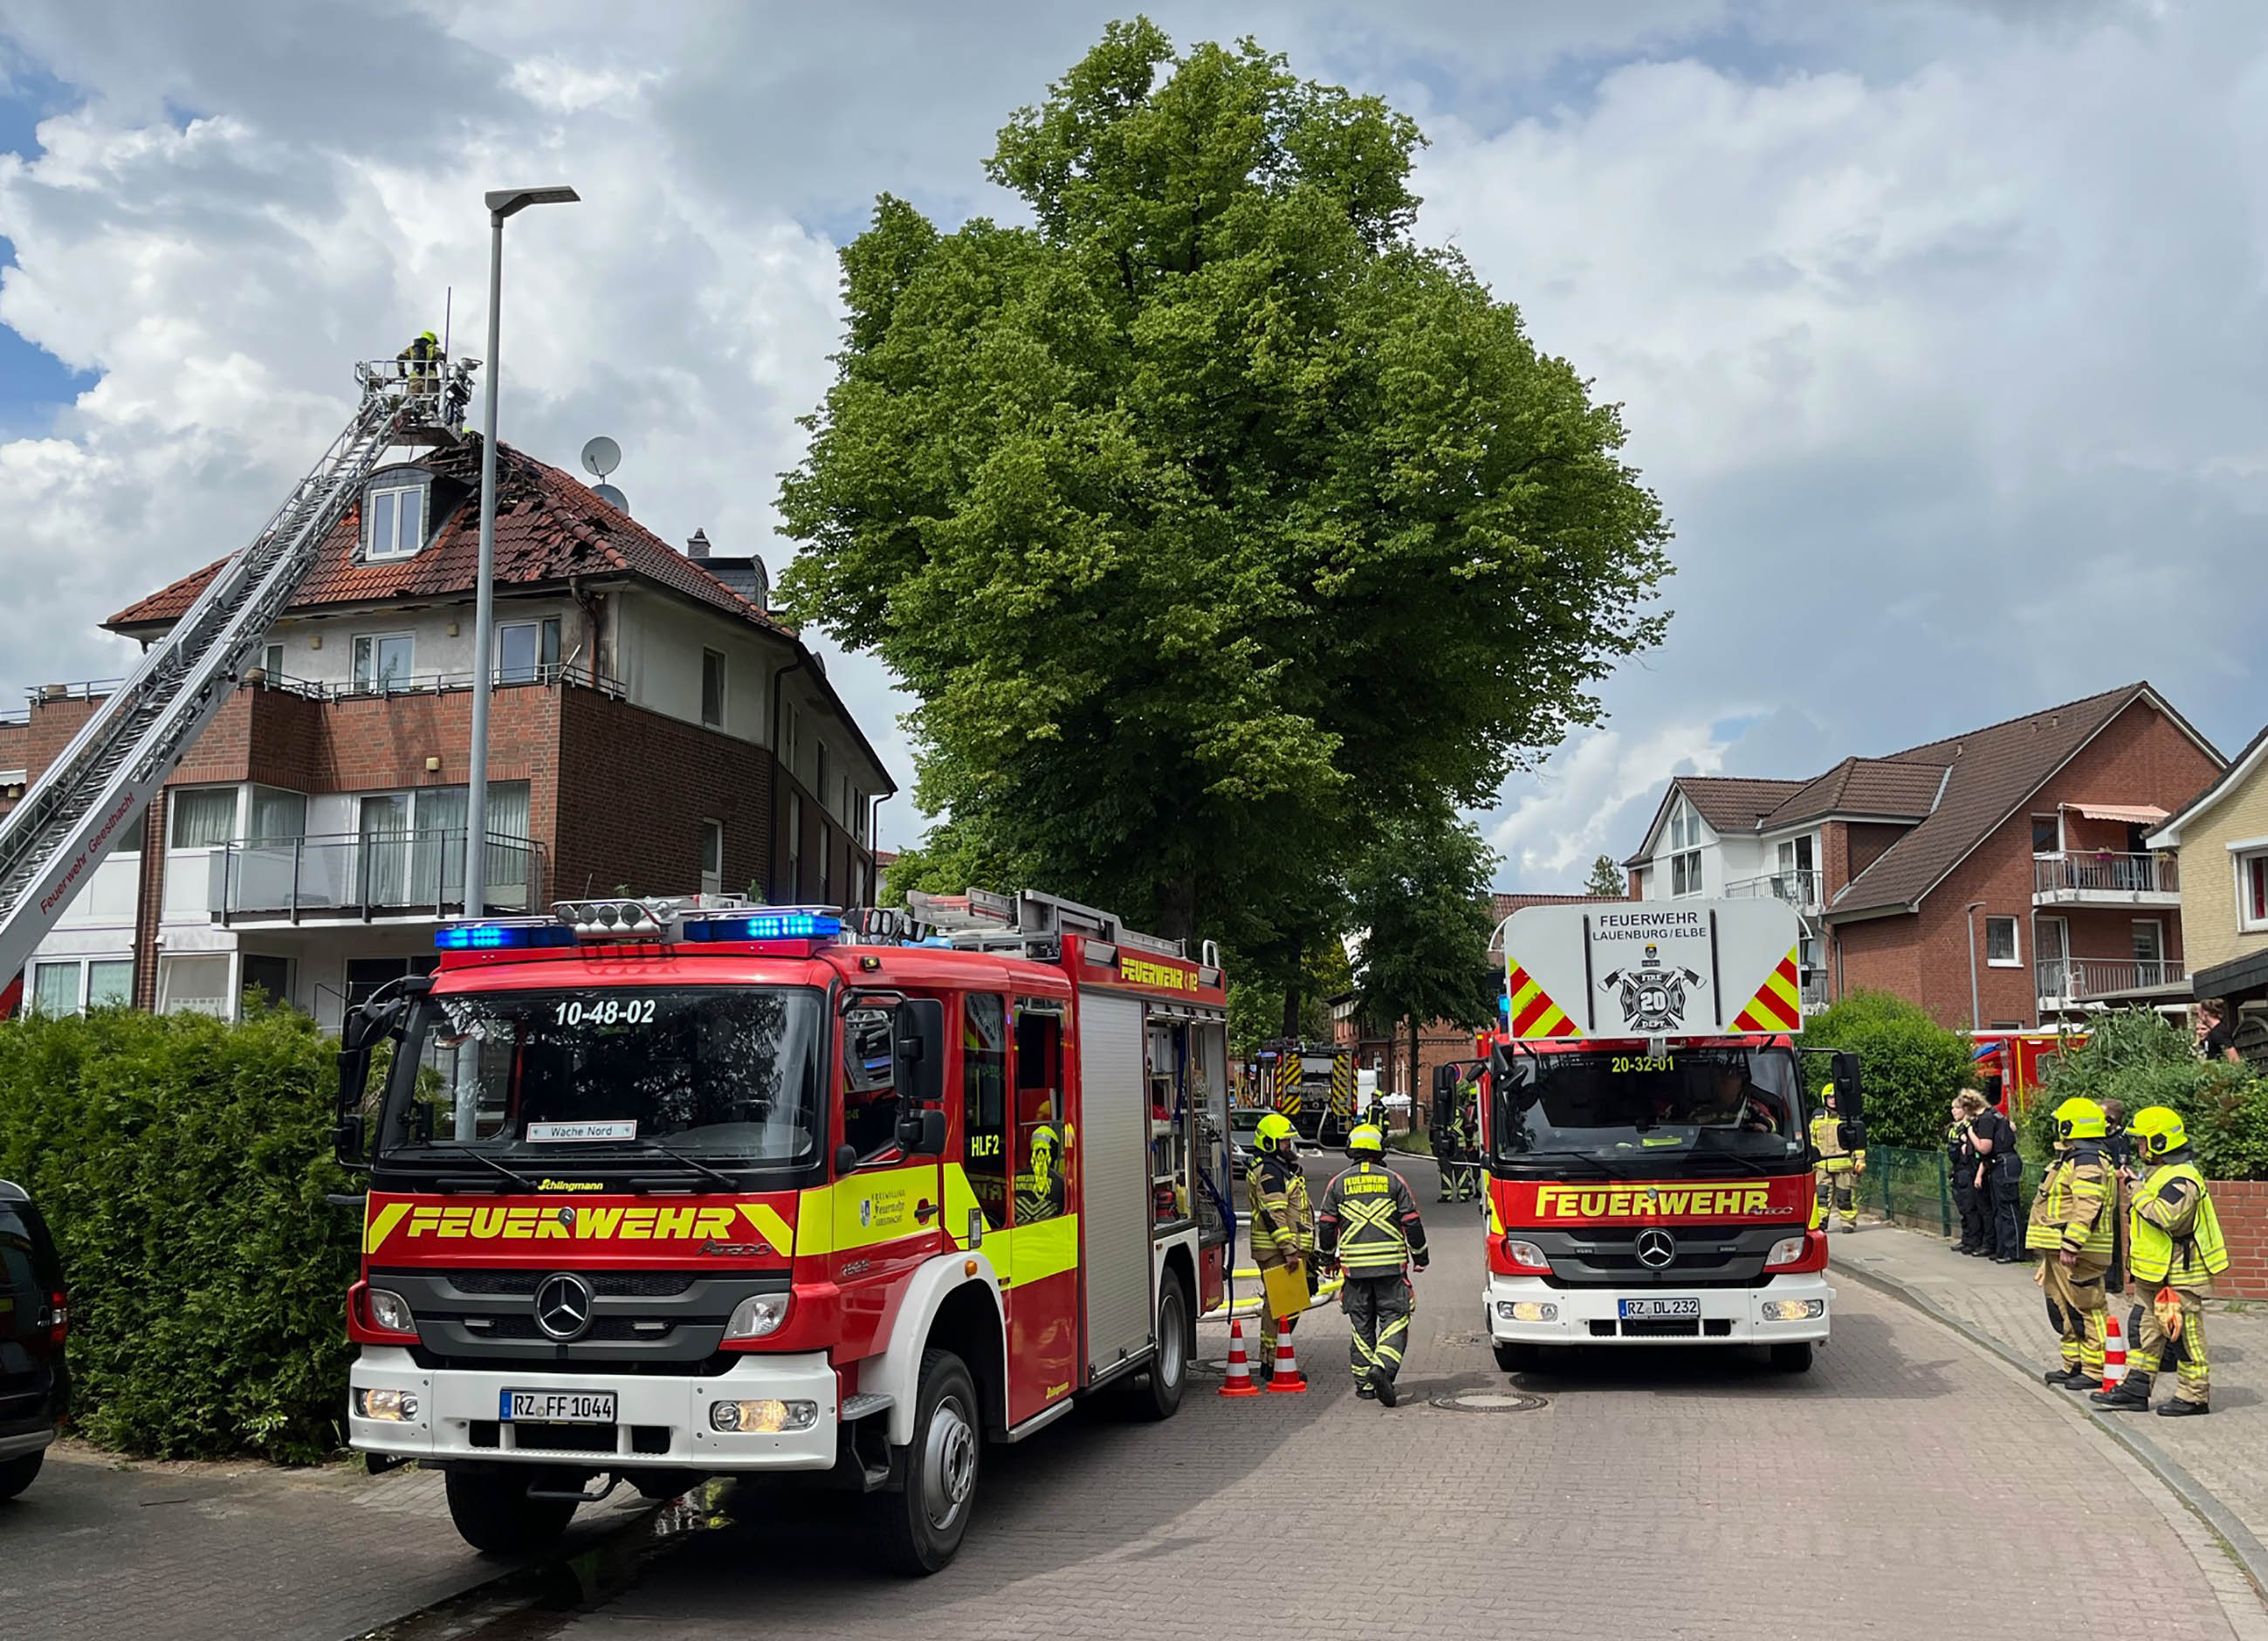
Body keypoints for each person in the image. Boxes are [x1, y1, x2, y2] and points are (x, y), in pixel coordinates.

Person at [2093, 1106, 2225, 1417]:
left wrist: (2134, 1189)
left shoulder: (2183, 1178)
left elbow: (2167, 1216)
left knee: (2184, 1337)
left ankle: (2194, 1397)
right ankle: (2135, 1389)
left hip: (2182, 1273)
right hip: (2155, 1273)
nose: (2138, 1147)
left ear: (2160, 1143)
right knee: (2145, 1333)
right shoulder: (2159, 1174)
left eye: (2143, 1141)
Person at [1316, 1123, 1430, 1406]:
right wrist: (1421, 1256)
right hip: (1390, 1269)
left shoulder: (1337, 1184)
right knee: (1396, 1319)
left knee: (1361, 1325)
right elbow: (1411, 1223)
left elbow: (1327, 1226)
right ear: (1380, 1149)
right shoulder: (1394, 1181)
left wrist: (1327, 1259)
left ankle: (1365, 1385)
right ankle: (1383, 1368)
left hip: (1354, 1271)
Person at [2028, 1097, 2118, 1390]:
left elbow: (2087, 1206)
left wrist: (2072, 1244)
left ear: (2069, 1126)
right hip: (2061, 1250)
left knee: (2088, 1310)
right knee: (2064, 1308)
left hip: (2079, 1253)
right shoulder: (2075, 1158)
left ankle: (2095, 1369)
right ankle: (2074, 1363)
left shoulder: (2087, 1162)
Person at [1246, 1111, 1315, 1377]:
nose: (1289, 1146)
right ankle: (1275, 1364)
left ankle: (1271, 1361)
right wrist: (1289, 1250)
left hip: (1284, 1250)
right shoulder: (1270, 1172)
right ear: (1270, 1143)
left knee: (1283, 1306)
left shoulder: (1279, 1169)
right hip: (1277, 1251)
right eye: (1284, 1142)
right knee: (1282, 1307)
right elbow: (1273, 1214)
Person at [1966, 1091, 2024, 1262]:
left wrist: (1970, 1133)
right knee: (1999, 1209)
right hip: (2000, 1162)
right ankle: (2003, 1249)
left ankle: (2013, 1251)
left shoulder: (1985, 1119)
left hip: (2003, 1163)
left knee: (2008, 1208)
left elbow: (1984, 1148)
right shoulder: (1995, 1115)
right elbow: (2012, 1127)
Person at [1808, 1086, 1863, 1232]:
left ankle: (1848, 1223)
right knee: (1821, 1196)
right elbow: (1812, 1139)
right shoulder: (1817, 1117)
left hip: (1844, 1164)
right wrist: (1812, 1157)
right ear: (1824, 1099)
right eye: (1830, 1097)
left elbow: (1858, 1141)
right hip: (1822, 1165)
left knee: (1846, 1197)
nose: (1833, 1100)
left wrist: (1860, 1159)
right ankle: (1821, 1222)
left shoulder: (1848, 1117)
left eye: (1835, 1097)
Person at [1948, 1094, 1989, 1255]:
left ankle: (1974, 1241)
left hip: (1967, 1171)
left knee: (1971, 1209)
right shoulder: (1954, 1127)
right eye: (1952, 1108)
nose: (1953, 1111)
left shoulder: (1968, 1126)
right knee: (1963, 1209)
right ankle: (1966, 1239)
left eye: (1957, 1108)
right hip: (1957, 1171)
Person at [2197, 1000, 2242, 1065]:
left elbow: (2234, 1059)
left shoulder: (2220, 1032)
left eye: (2199, 1012)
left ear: (2205, 1013)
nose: (2198, 1015)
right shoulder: (2213, 1032)